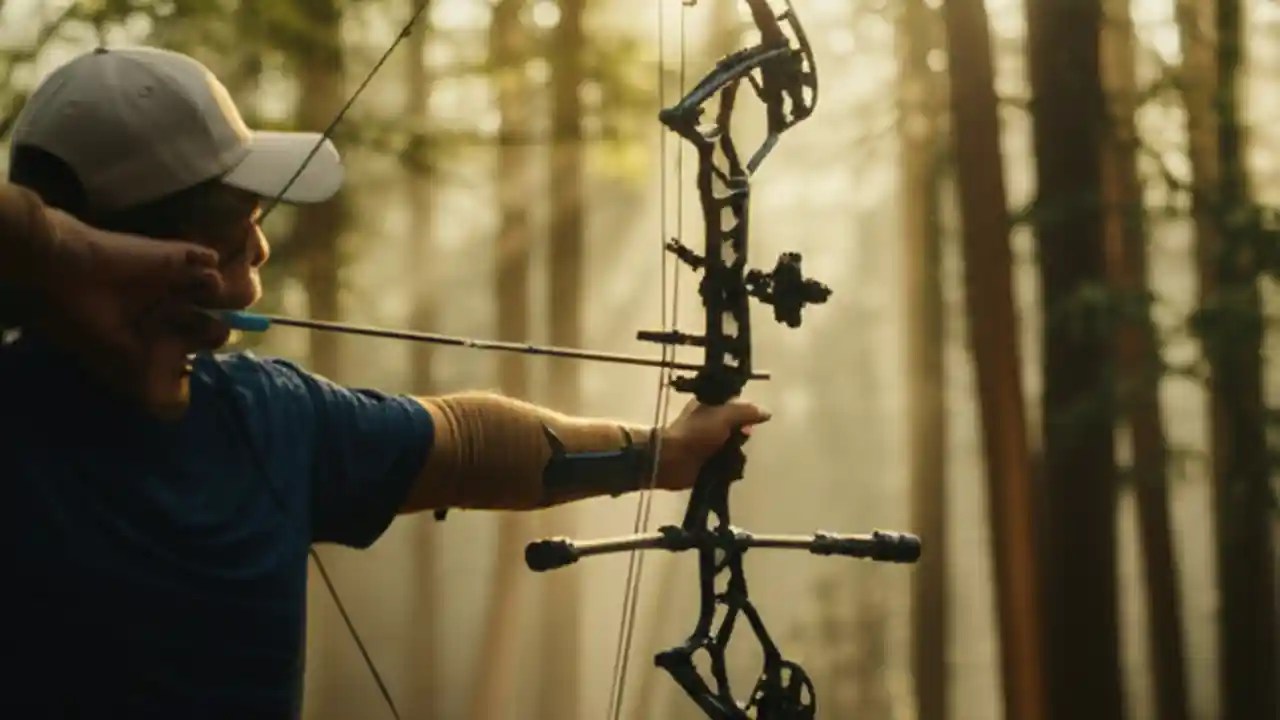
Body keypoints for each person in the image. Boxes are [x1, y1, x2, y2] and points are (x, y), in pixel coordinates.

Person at [1, 46, 769, 718]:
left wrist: (660, 455)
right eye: (233, 226)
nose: (261, 250)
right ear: (138, 255)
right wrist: (56, 250)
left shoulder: (267, 418)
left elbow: (468, 444)